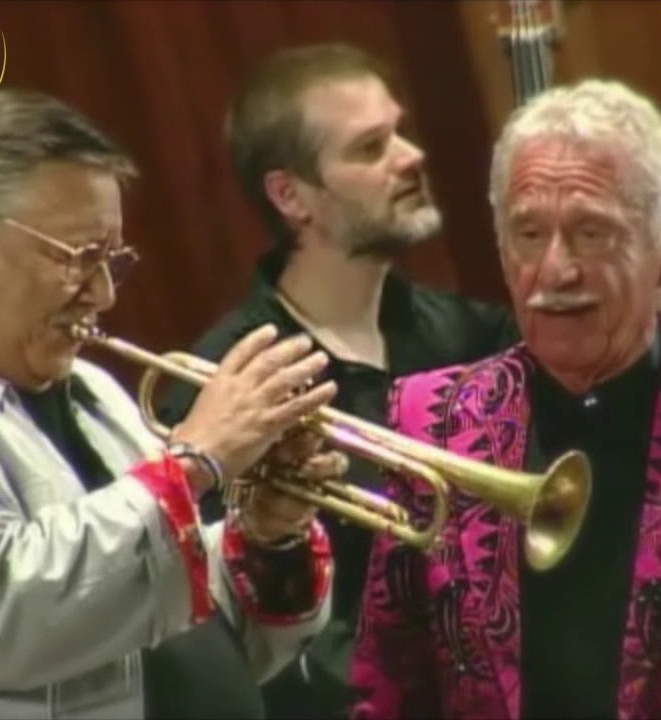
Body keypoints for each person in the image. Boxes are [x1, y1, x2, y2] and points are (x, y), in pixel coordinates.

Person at [0, 88, 348, 719]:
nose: (102, 295)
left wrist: (267, 535)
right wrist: (195, 462)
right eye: (78, 257)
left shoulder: (91, 389)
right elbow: (4, 615)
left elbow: (153, 612)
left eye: (113, 260)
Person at [348, 78, 661, 719]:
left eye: (592, 233)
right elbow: (386, 684)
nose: (554, 271)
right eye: (527, 234)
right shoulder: (427, 419)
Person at [155, 43, 521, 719]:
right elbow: (233, 614)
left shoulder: (466, 332)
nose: (410, 156)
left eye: (399, 131)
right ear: (291, 195)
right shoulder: (228, 380)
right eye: (370, 147)